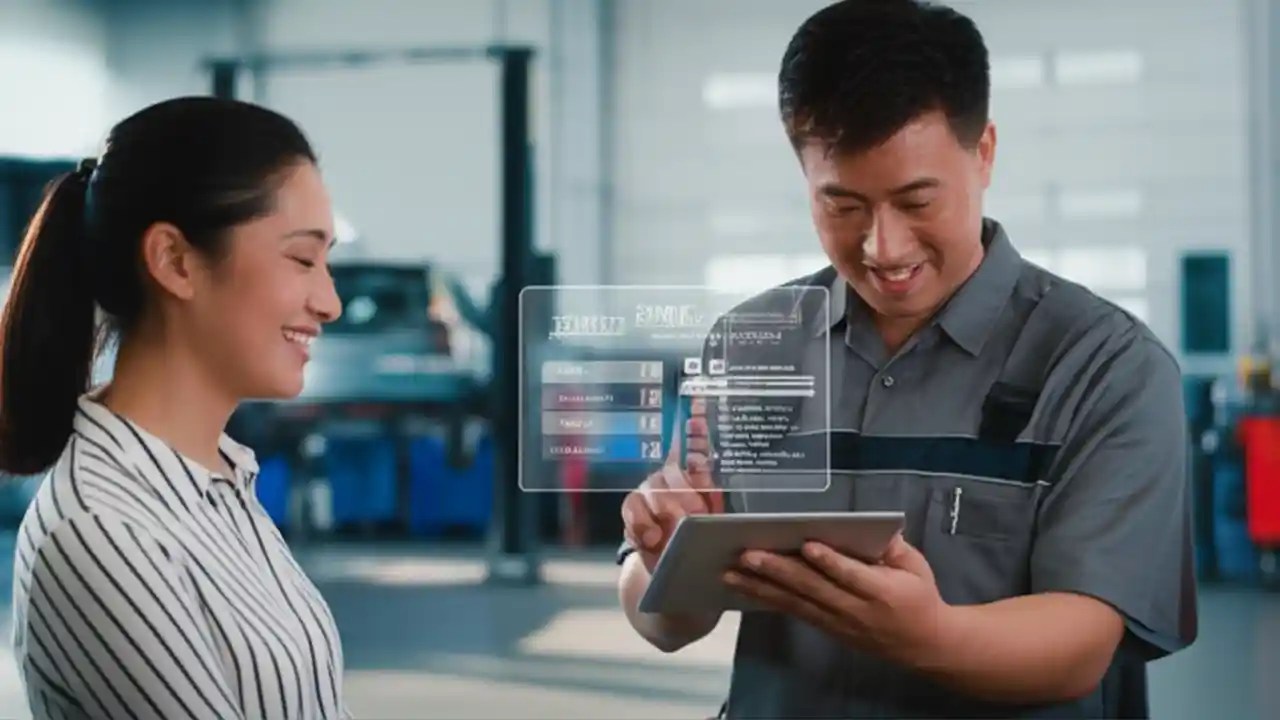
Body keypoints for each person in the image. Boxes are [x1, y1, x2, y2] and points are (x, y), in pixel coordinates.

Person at [616, 1, 1198, 717]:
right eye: (844, 206)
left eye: (916, 200)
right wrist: (657, 558)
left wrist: (931, 635)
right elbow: (671, 621)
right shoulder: (752, 344)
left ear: (983, 152)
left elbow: (1083, 645)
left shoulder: (1105, 367)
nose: (883, 248)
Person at [0, 97, 351, 719]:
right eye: (302, 259)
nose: (330, 302)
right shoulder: (103, 530)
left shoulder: (220, 482)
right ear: (175, 261)